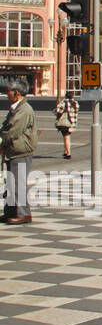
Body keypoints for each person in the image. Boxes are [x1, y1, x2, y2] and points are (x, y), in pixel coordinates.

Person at [0, 81, 37, 224]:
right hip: (13, 150)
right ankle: (10, 211)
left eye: (9, 91)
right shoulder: (16, 108)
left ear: (16, 93)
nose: (6, 93)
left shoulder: (24, 110)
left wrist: (1, 142)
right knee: (10, 183)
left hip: (21, 151)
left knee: (18, 184)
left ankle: (24, 213)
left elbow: (13, 131)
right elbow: (5, 127)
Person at [54, 90, 77, 159]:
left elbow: (58, 111)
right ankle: (65, 151)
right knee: (67, 137)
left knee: (66, 137)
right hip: (72, 122)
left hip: (64, 122)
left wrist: (56, 112)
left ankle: (68, 153)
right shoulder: (75, 103)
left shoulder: (64, 102)